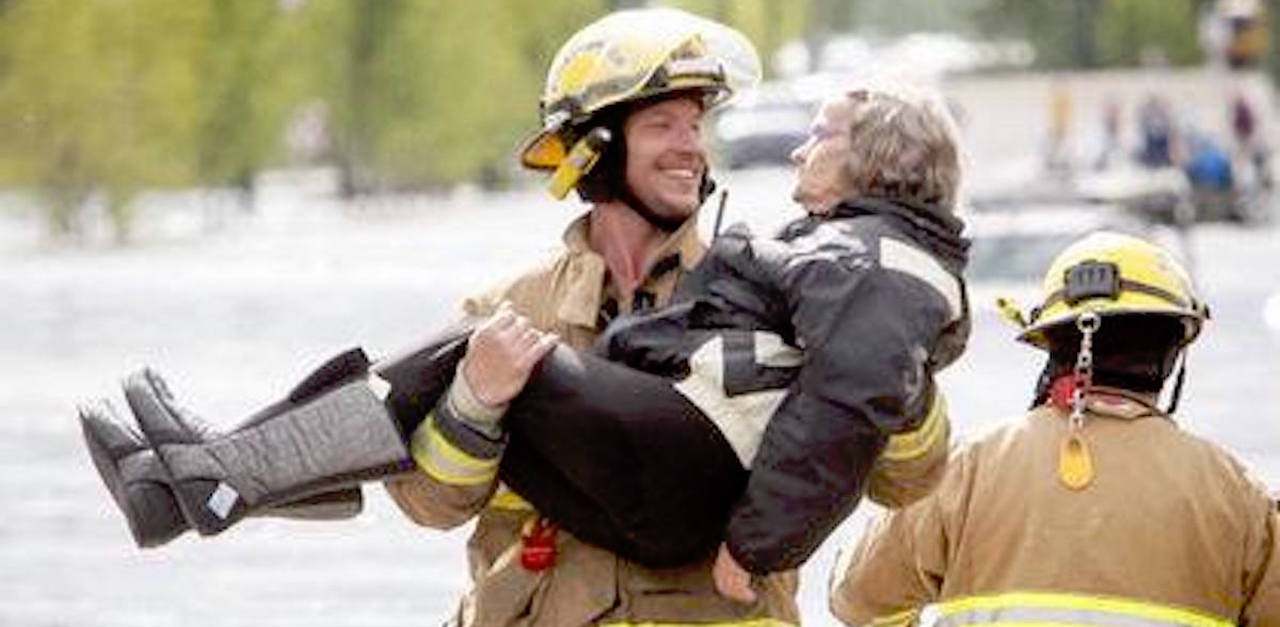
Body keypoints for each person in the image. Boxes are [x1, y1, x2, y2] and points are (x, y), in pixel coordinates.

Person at [80, 10, 967, 624]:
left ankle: (217, 477)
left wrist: (905, 369)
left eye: (699, 126)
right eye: (665, 123)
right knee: (462, 358)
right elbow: (429, 503)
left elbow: (905, 481)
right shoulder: (514, 306)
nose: (693, 148)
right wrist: (472, 401)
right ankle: (211, 479)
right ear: (597, 145)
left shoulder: (778, 284)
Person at [828, 231, 1280, 626]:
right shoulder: (1238, 495)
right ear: (1171, 352)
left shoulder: (968, 469)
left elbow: (858, 599)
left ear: (1051, 345)